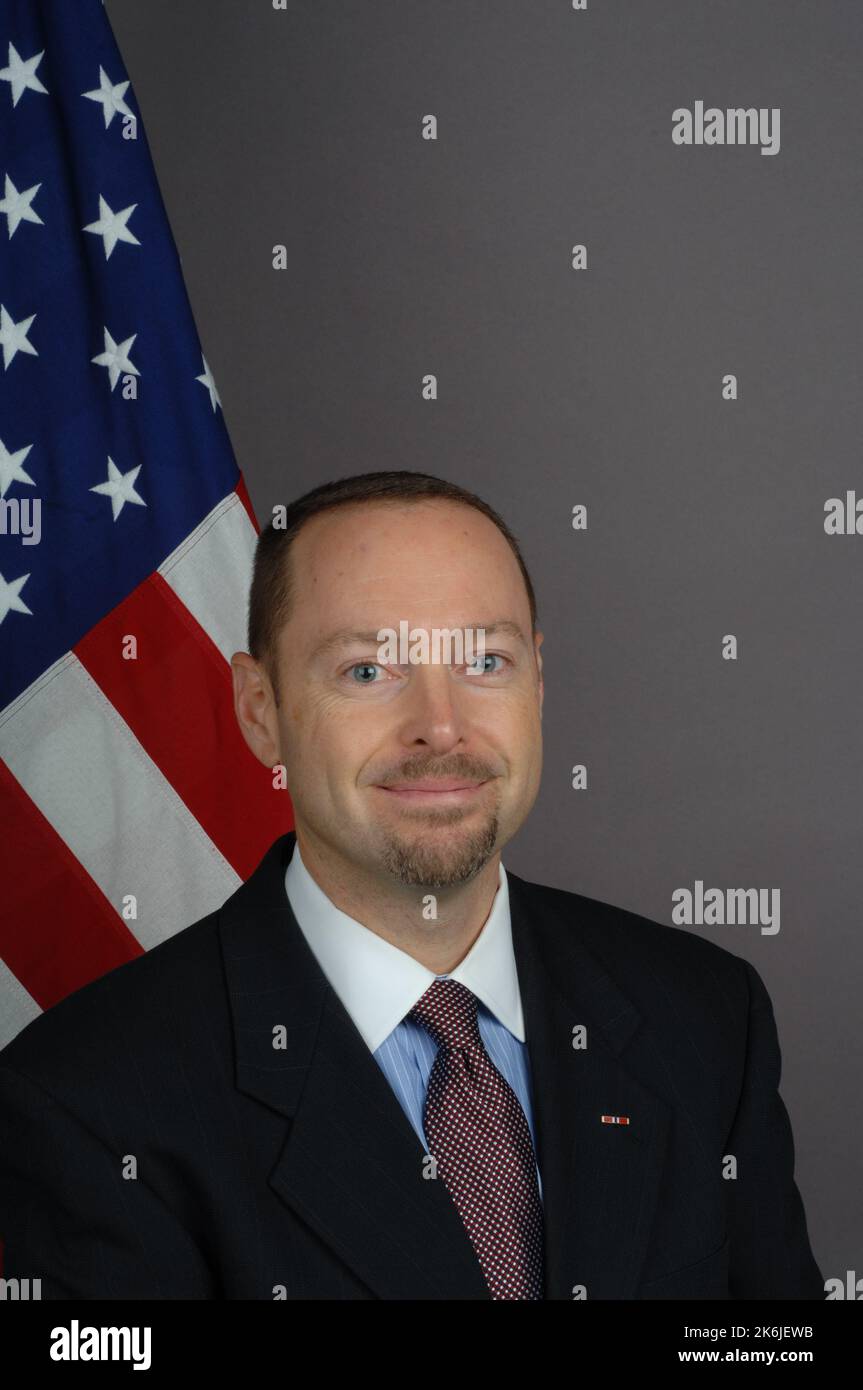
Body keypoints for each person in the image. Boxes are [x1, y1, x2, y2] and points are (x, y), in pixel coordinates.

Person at [0, 470, 824, 1299]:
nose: (439, 724)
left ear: (536, 684)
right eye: (367, 671)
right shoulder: (90, 1101)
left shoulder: (706, 1017)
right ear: (259, 710)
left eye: (483, 660)